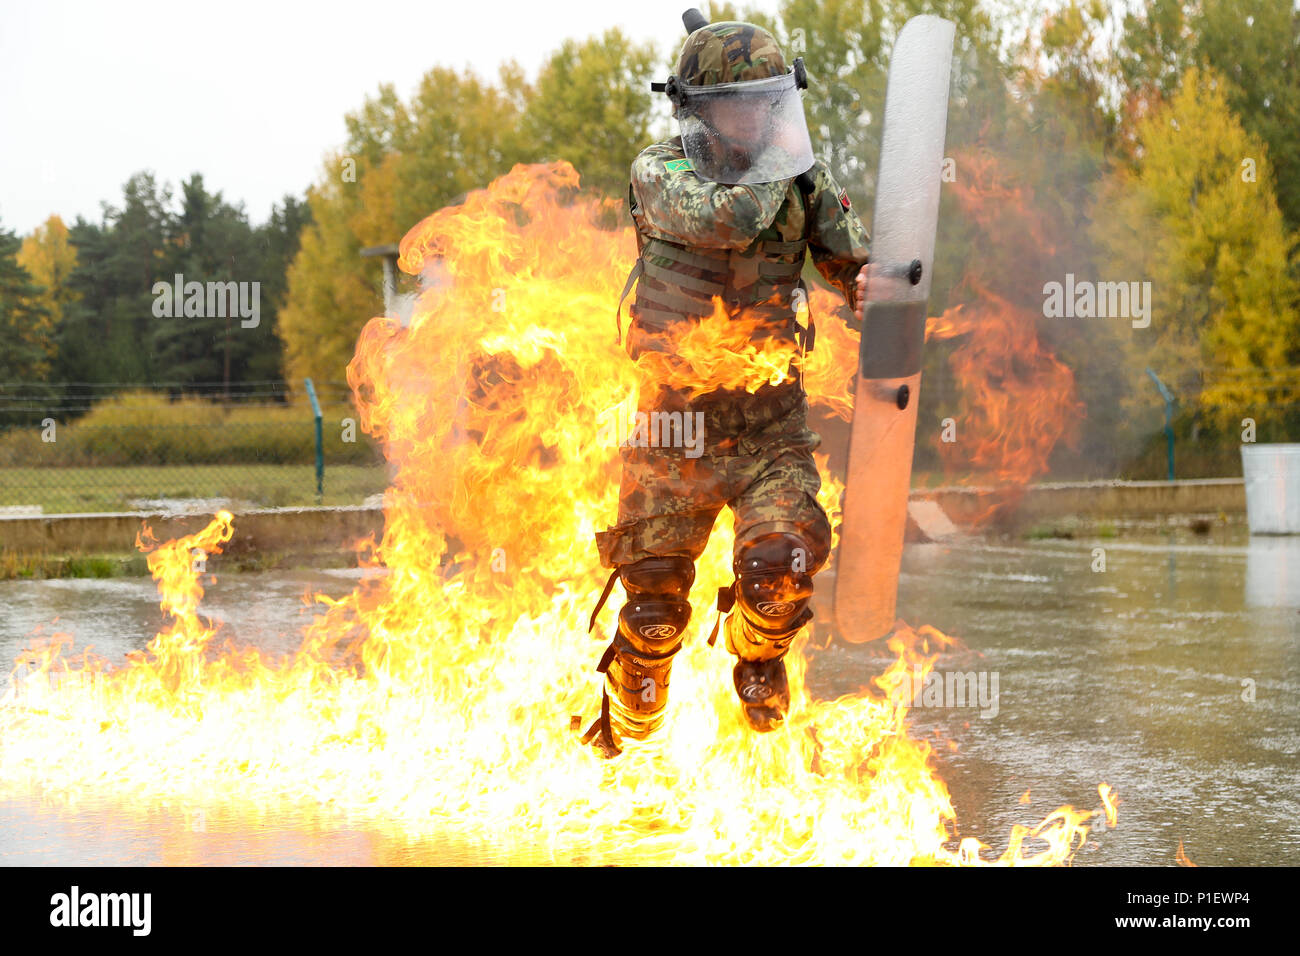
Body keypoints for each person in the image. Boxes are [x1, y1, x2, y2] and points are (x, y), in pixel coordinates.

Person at [581, 16, 872, 756]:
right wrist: (789, 161)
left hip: (770, 425)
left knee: (782, 565)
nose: (761, 118)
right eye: (743, 103)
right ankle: (630, 733)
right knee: (652, 609)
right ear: (698, 110)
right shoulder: (662, 171)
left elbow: (849, 262)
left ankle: (758, 650)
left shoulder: (803, 178)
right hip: (671, 432)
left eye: (772, 101)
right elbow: (733, 216)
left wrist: (866, 284)